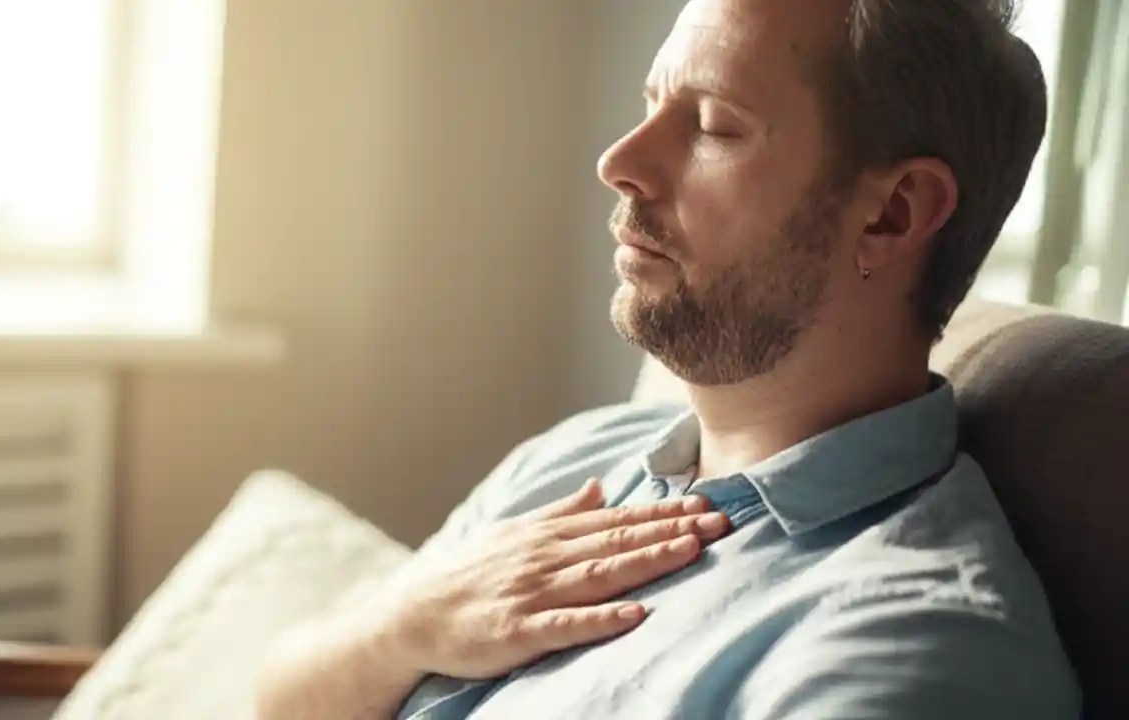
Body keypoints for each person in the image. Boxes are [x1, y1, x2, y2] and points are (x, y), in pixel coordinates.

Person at [257, 0, 1082, 717]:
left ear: (892, 216)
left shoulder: (915, 644)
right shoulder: (576, 458)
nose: (619, 163)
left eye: (715, 125)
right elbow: (279, 701)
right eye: (650, 104)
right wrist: (403, 626)